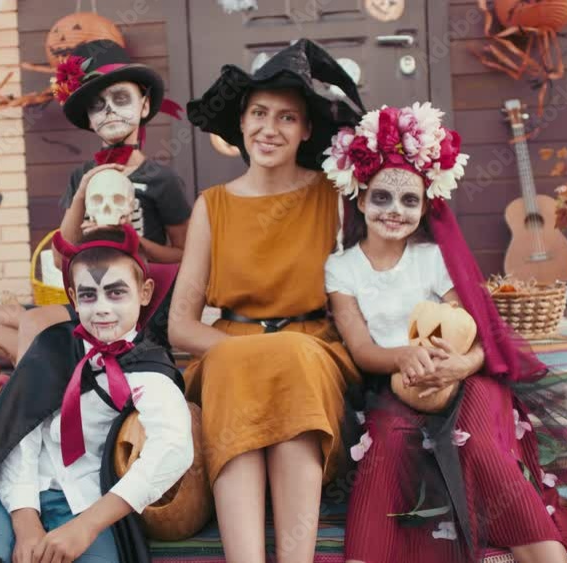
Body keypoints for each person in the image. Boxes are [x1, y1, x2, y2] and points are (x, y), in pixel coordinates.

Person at [321, 104, 567, 563]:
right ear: (361, 198)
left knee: (478, 441)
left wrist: (461, 364)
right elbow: (363, 348)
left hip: (465, 376)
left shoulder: (432, 258)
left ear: (426, 206)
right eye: (382, 198)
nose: (395, 211)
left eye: (410, 201)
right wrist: (405, 358)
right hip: (394, 381)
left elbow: (470, 329)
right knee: (389, 440)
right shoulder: (342, 268)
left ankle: (542, 553)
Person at [0, 225, 194, 563]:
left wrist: (88, 526)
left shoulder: (148, 369)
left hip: (89, 504)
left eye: (116, 293)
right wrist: (25, 519)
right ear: (74, 298)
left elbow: (174, 446)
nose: (102, 308)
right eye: (89, 295)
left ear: (145, 292)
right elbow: (18, 434)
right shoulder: (52, 348)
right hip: (14, 494)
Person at [169, 39, 366, 562]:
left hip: (311, 349)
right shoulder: (212, 207)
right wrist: (242, 350)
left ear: (305, 131)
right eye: (258, 113)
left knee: (292, 360)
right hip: (230, 350)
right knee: (242, 364)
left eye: (286, 117)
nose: (269, 129)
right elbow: (181, 326)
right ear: (241, 123)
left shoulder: (333, 194)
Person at [0, 39, 190, 363]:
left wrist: (140, 244)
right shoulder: (82, 177)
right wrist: (80, 195)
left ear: (144, 106)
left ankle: (41, 394)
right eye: (98, 105)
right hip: (87, 299)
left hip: (139, 310)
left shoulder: (162, 180)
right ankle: (56, 378)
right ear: (89, 118)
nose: (110, 111)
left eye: (121, 99)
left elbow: (185, 257)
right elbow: (61, 260)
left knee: (34, 324)